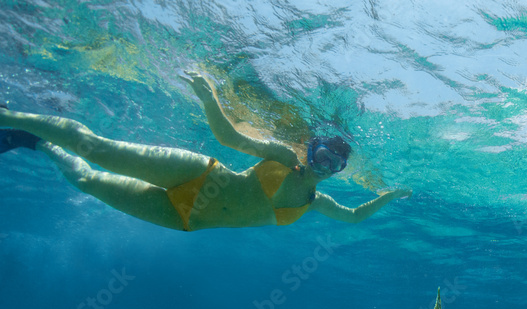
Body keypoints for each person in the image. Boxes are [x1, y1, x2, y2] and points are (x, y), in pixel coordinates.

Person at [0, 72, 410, 232]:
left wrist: (387, 197)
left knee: (87, 180)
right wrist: (208, 96)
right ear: (311, 149)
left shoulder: (315, 202)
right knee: (101, 150)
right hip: (197, 176)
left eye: (335, 166)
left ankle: (35, 142)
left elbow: (356, 216)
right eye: (322, 156)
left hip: (183, 218)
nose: (325, 167)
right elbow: (231, 138)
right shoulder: (285, 158)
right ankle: (8, 116)